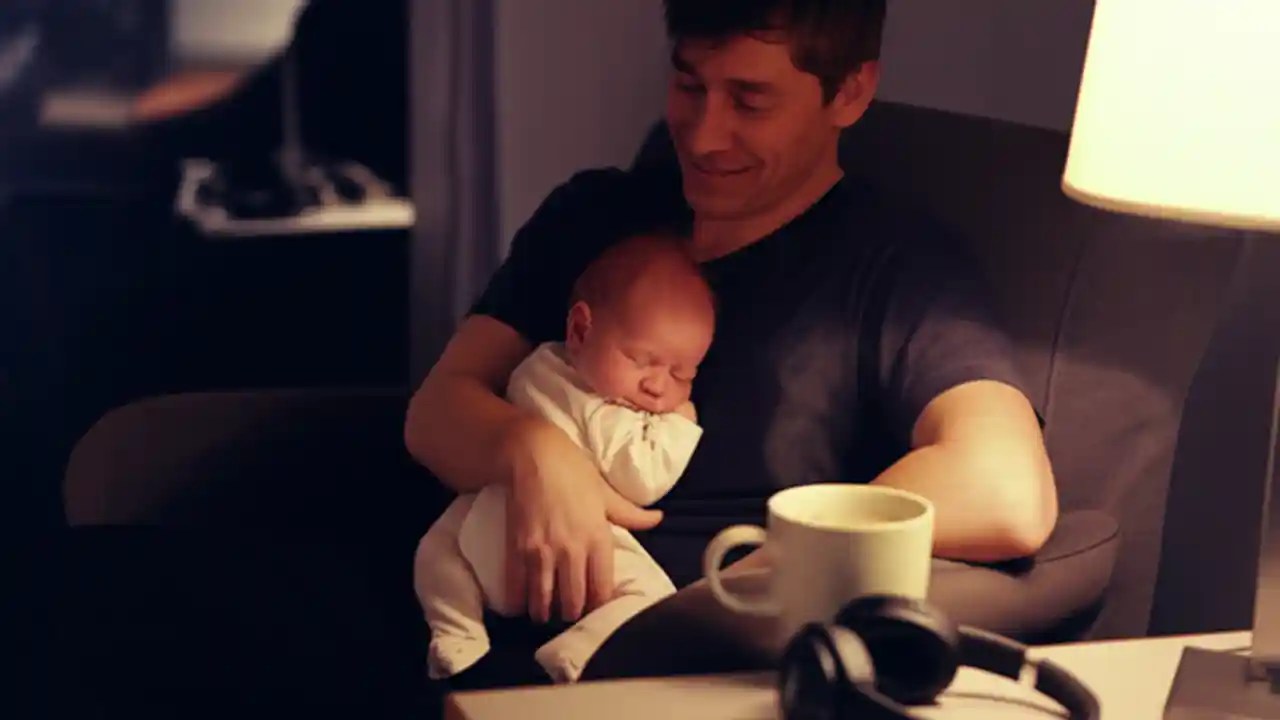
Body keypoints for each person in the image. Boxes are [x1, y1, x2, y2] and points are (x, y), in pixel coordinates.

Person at [405, 0, 1059, 685]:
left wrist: (754, 575)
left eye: (750, 101)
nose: (704, 134)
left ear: (851, 91)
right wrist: (533, 452)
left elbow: (1009, 491)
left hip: (646, 663)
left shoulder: (895, 266)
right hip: (455, 602)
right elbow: (437, 411)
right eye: (689, 85)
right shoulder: (594, 214)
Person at [414, 234, 715, 684]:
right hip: (580, 561)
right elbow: (642, 482)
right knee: (654, 599)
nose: (657, 387)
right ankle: (577, 650)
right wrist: (679, 421)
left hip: (483, 526)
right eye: (641, 360)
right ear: (579, 329)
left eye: (681, 374)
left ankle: (457, 631)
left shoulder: (538, 366)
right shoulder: (610, 414)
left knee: (436, 551)